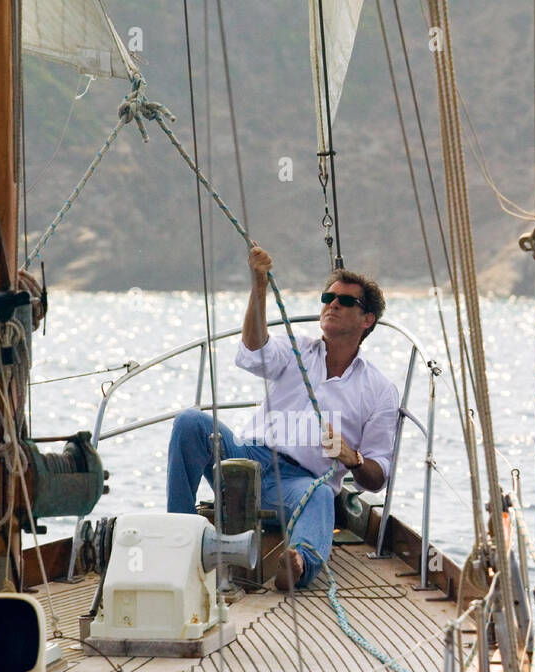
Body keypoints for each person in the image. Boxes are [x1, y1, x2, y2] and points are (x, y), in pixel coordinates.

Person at [167, 243, 400, 590]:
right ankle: (178, 534)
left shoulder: (380, 390)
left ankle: (298, 564)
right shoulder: (297, 348)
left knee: (321, 496)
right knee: (190, 422)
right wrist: (259, 286)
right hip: (243, 458)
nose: (332, 304)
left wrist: (353, 457)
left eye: (346, 301)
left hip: (297, 483)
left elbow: (377, 476)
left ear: (367, 320)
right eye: (327, 298)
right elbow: (253, 349)